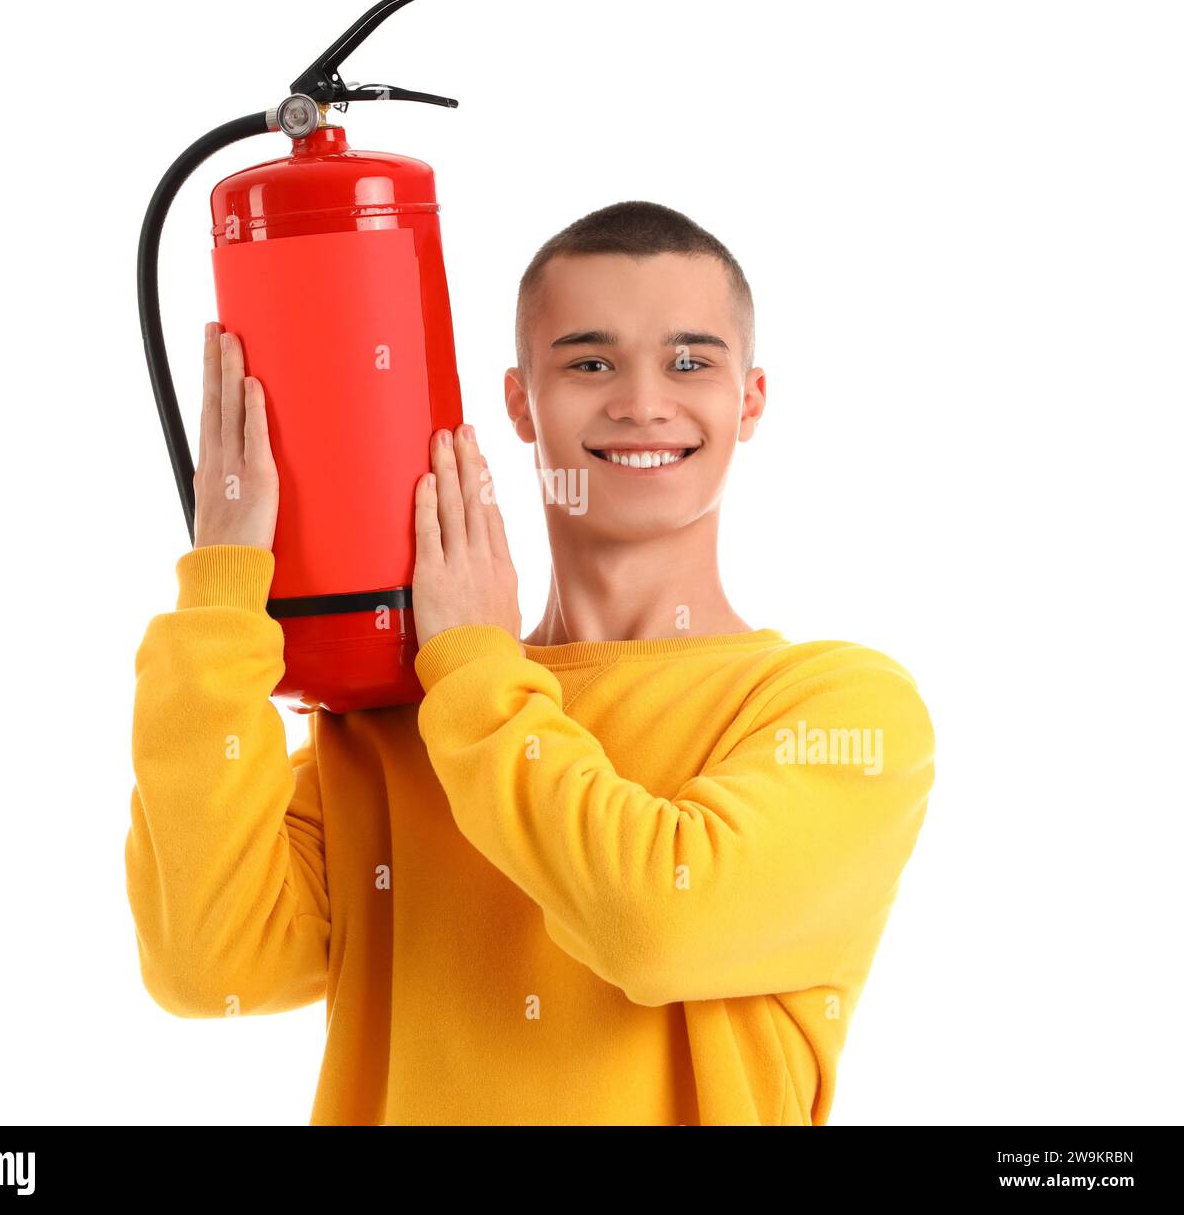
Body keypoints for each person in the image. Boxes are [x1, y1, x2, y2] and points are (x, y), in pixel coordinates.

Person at [125, 199, 936, 1126]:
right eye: (590, 362)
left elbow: (657, 926)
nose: (641, 401)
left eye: (690, 361)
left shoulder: (845, 711)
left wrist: (474, 671)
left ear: (748, 398)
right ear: (520, 401)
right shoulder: (410, 714)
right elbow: (205, 962)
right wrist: (225, 584)